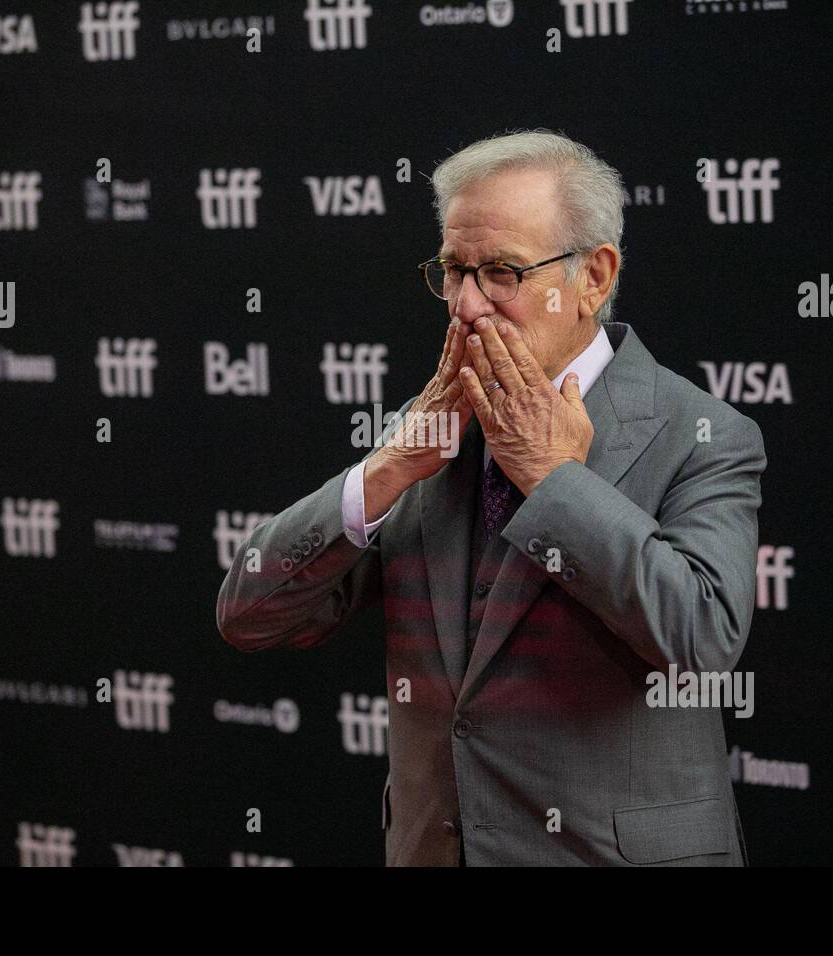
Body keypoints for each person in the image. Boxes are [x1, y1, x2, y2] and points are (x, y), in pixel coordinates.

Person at [217, 129, 766, 866]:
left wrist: (554, 482)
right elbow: (250, 616)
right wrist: (384, 472)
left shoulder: (700, 432)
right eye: (453, 270)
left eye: (501, 272)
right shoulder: (431, 426)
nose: (466, 306)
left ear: (594, 278)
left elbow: (700, 641)